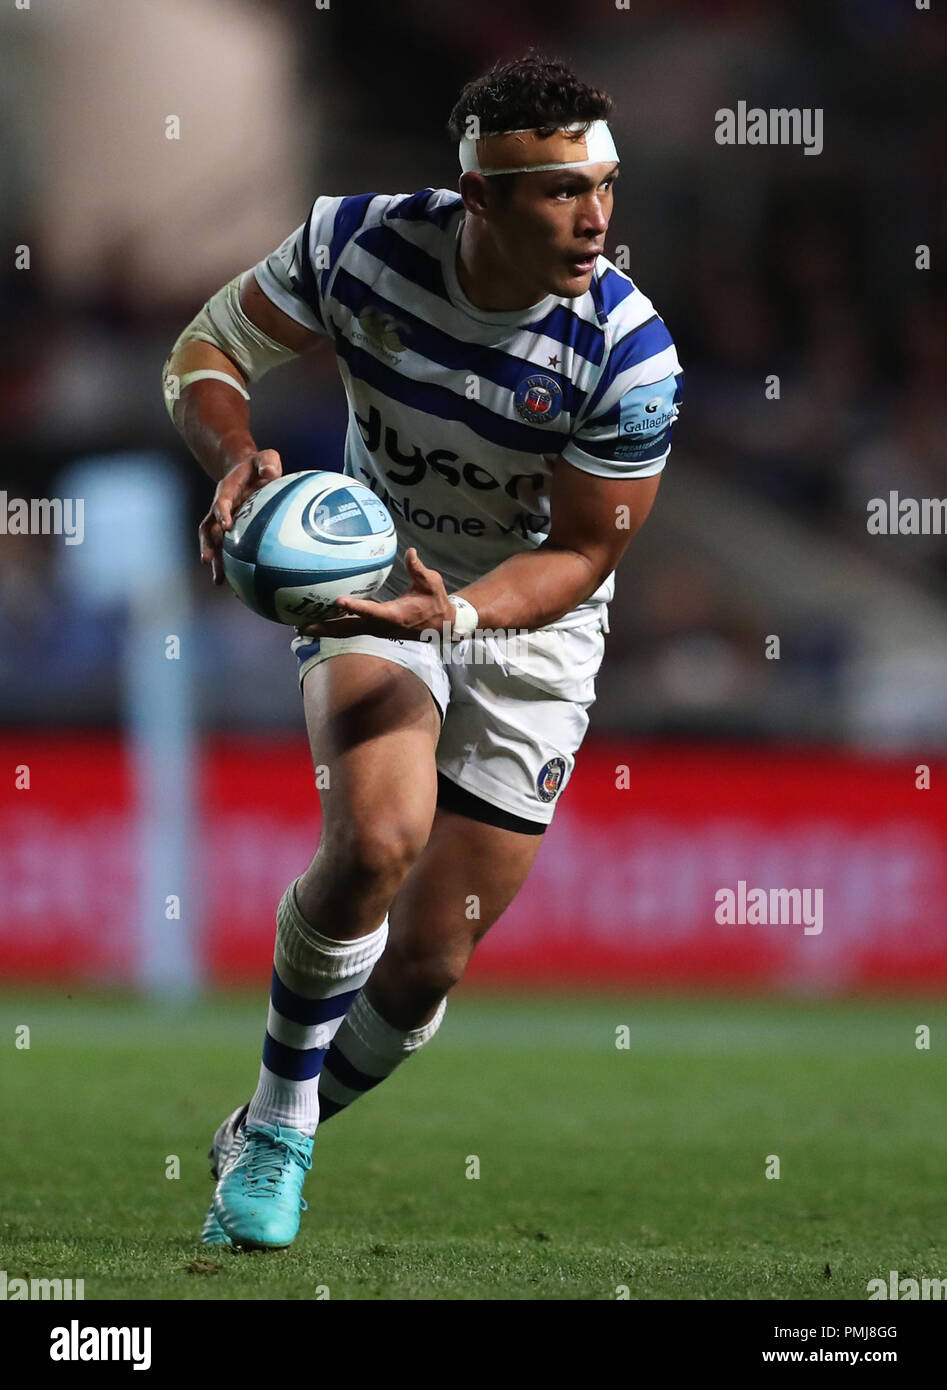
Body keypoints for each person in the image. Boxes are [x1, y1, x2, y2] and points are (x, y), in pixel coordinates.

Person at [163, 52, 683, 1250]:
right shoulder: (357, 245)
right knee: (377, 840)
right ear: (480, 199)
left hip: (529, 624)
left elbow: (585, 553)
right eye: (557, 191)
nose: (593, 214)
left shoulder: (625, 350)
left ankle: (259, 1117)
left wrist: (457, 617)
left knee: (424, 966)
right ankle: (285, 1130)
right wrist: (233, 454)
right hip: (370, 573)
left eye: (602, 183)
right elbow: (203, 351)